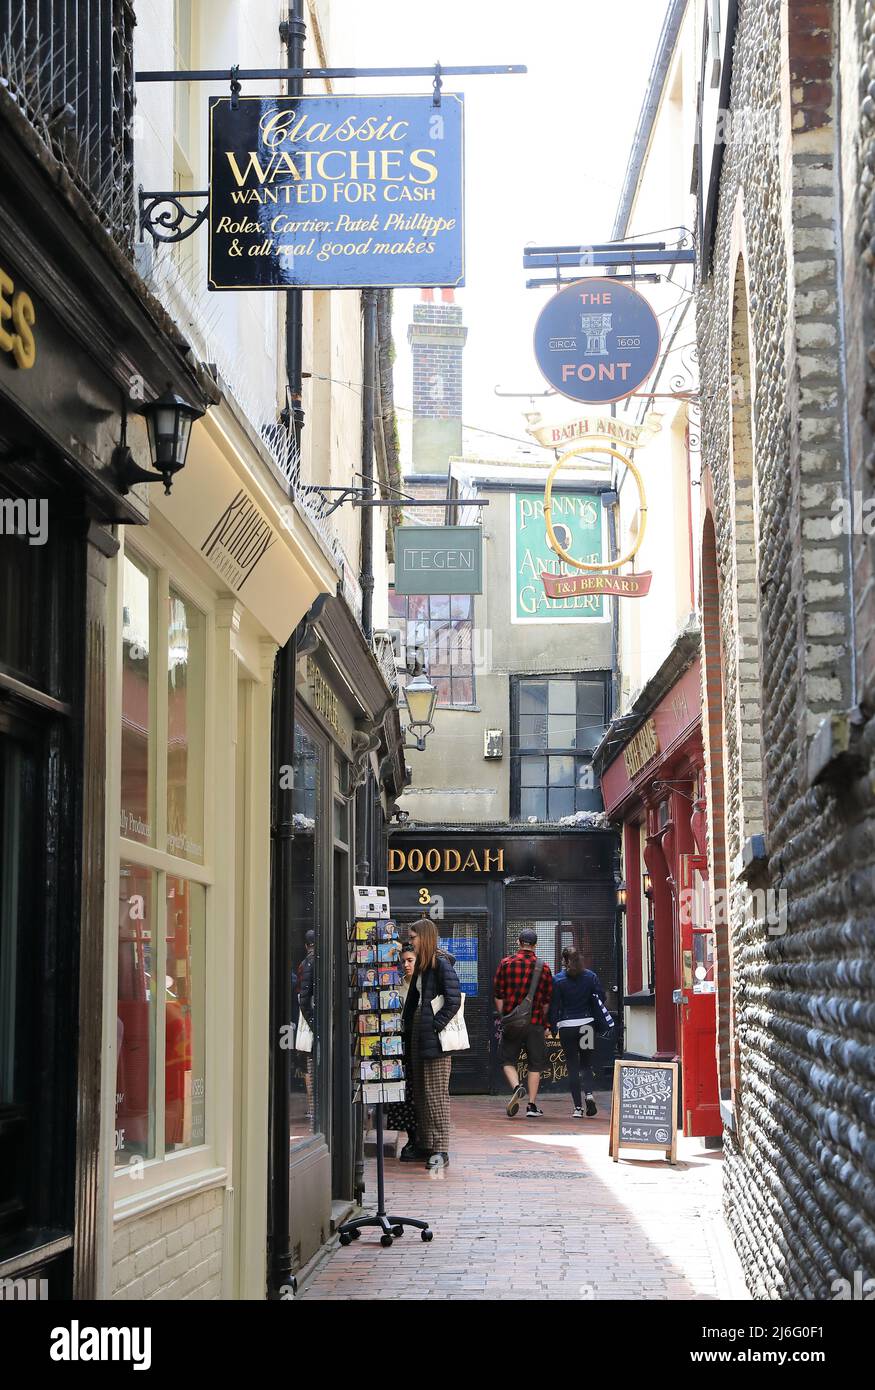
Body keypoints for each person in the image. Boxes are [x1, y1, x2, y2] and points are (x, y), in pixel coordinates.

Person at [402, 917, 461, 1170]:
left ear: (424, 937)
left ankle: (441, 1149)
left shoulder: (440, 964)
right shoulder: (424, 966)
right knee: (421, 1092)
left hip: (433, 1037)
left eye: (413, 937)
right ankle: (426, 1144)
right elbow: (414, 1002)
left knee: (436, 1094)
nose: (410, 941)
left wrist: (435, 1025)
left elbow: (454, 1000)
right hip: (418, 1034)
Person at [494, 928, 554, 1118]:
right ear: (535, 945)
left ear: (519, 942)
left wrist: (505, 1015)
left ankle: (517, 1087)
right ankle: (532, 1105)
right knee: (535, 1064)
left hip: (512, 1022)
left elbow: (498, 995)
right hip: (535, 1022)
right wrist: (544, 1022)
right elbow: (547, 1000)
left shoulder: (506, 963)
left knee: (507, 1060)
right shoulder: (543, 967)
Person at [549, 947, 609, 1117]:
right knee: (586, 1064)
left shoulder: (558, 980)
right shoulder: (590, 976)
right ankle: (589, 1094)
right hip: (587, 1025)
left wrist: (553, 1027)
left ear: (564, 960)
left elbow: (555, 1006)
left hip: (567, 1027)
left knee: (572, 1066)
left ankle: (577, 1108)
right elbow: (601, 998)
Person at [385, 942, 421, 1161]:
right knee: (403, 1096)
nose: (406, 965)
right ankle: (411, 1138)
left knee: (418, 1094)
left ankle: (420, 1140)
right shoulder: (397, 985)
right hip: (400, 1045)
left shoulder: (424, 984)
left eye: (411, 960)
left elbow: (448, 958)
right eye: (404, 961)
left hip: (418, 1044)